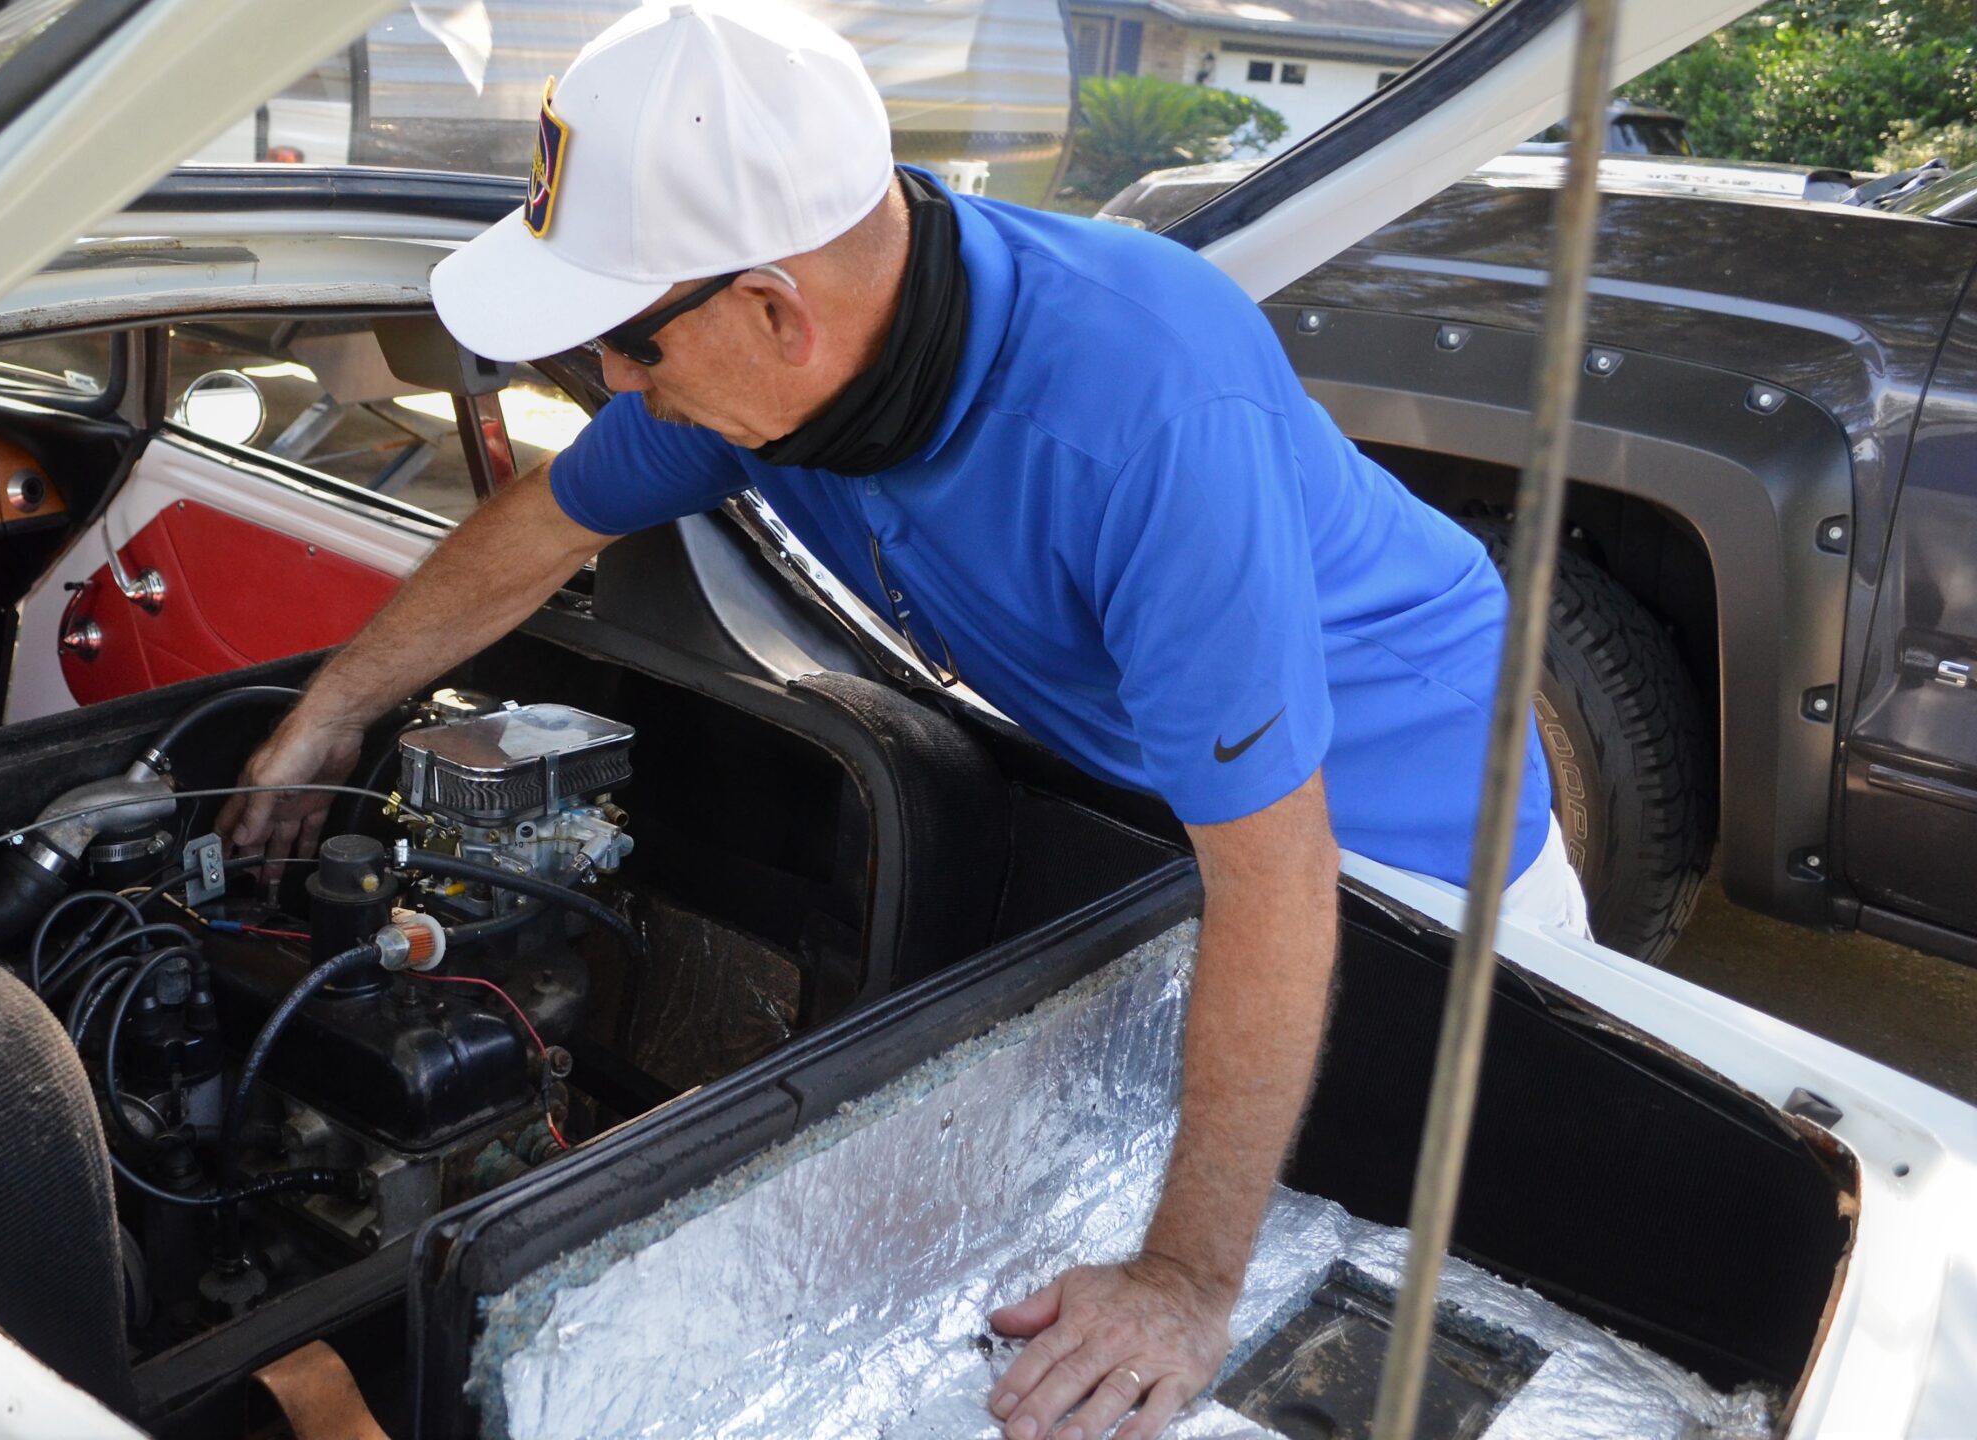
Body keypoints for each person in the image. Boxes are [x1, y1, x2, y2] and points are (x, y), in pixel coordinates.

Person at [218, 2, 1588, 1436]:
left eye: (625, 340)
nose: (615, 384)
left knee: (1437, 1242)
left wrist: (1187, 1281)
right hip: (1178, 797)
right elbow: (546, 523)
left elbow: (1278, 877)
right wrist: (333, 711)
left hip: (1402, 828)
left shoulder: (1144, 408)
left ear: (773, 309)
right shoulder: (770, 375)